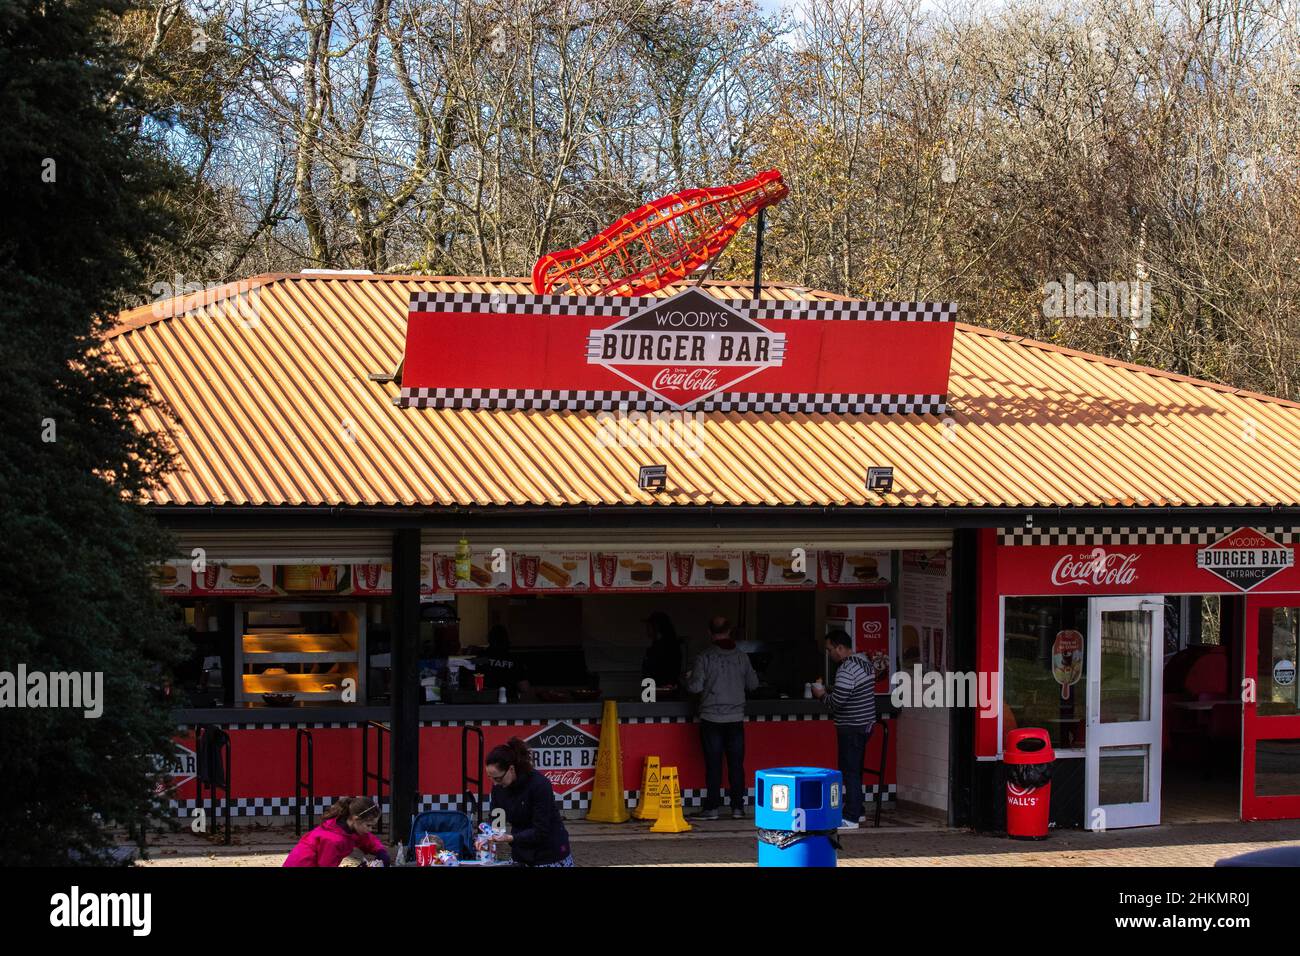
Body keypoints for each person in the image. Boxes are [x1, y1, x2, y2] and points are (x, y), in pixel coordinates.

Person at [686, 616, 759, 820]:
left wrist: (687, 679)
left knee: (713, 764)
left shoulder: (705, 657)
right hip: (735, 719)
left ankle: (712, 808)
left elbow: (696, 687)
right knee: (736, 764)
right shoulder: (742, 657)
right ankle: (738, 807)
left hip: (711, 719)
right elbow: (753, 684)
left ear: (709, 633)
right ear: (730, 631)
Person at [812, 628, 877, 830]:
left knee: (849, 771)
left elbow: (837, 702)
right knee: (855, 770)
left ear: (840, 648)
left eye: (830, 649)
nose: (829, 653)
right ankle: (859, 811)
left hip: (851, 727)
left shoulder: (846, 669)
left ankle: (850, 817)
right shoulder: (864, 662)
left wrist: (821, 694)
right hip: (866, 725)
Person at [484, 737, 574, 867]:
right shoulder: (499, 787)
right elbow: (497, 816)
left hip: (549, 854)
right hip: (521, 853)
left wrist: (511, 838)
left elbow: (541, 830)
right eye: (490, 778)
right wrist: (491, 836)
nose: (494, 783)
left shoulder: (540, 784)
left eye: (497, 778)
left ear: (511, 769)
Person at [283, 796, 390, 867]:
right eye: (369, 825)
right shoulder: (333, 840)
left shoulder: (349, 826)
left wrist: (381, 852)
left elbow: (367, 839)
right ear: (356, 818)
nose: (370, 830)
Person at [474, 624, 531, 702]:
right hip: (509, 703)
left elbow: (472, 682)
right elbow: (524, 687)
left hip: (485, 702)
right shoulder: (515, 660)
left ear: (489, 638)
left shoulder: (481, 657)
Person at [641, 611, 683, 690]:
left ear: (656, 626)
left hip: (663, 692)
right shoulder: (657, 646)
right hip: (655, 690)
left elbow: (669, 671)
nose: (647, 628)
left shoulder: (668, 647)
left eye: (649, 625)